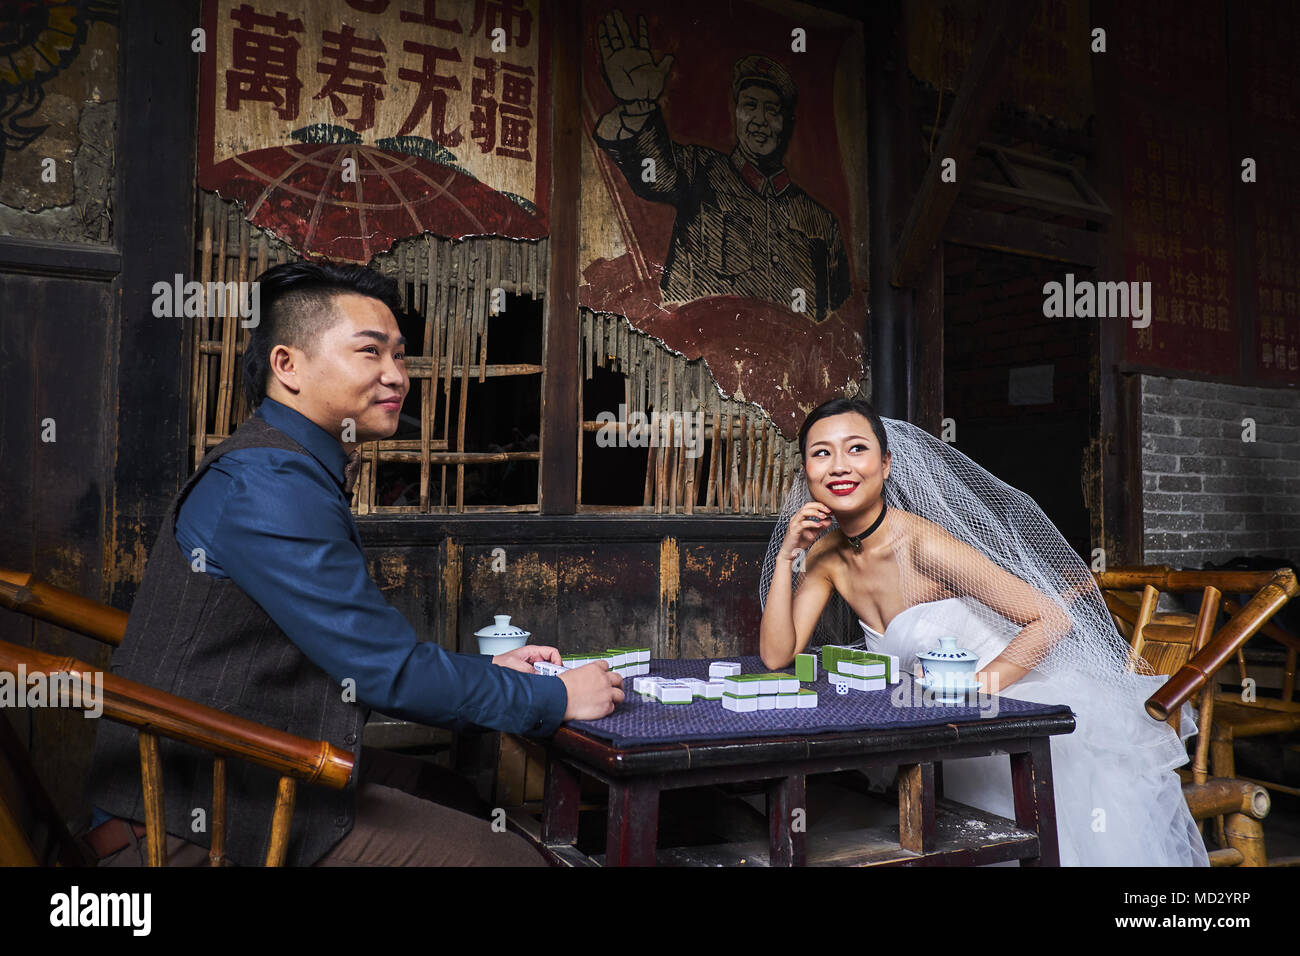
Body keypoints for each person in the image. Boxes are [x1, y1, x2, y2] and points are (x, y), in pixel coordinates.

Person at [86, 261, 623, 866]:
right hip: (191, 821)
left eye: (400, 355)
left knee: (454, 792)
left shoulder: (291, 466)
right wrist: (555, 701)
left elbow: (358, 650)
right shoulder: (267, 481)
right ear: (287, 365)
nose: (397, 376)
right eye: (370, 353)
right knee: (519, 862)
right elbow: (383, 671)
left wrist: (493, 669)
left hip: (254, 772)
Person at [759, 396, 1209, 866]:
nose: (839, 466)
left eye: (856, 449)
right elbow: (776, 655)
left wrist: (971, 695)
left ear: (886, 464)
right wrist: (789, 551)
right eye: (821, 453)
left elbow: (1052, 619)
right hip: (938, 728)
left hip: (1016, 712)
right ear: (807, 471)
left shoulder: (924, 546)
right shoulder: (826, 555)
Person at [593, 9, 850, 322]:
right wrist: (638, 108)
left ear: (788, 123)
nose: (760, 120)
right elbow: (652, 175)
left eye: (772, 110)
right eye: (750, 106)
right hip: (694, 365)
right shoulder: (699, 170)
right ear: (736, 113)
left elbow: (838, 320)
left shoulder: (821, 223)